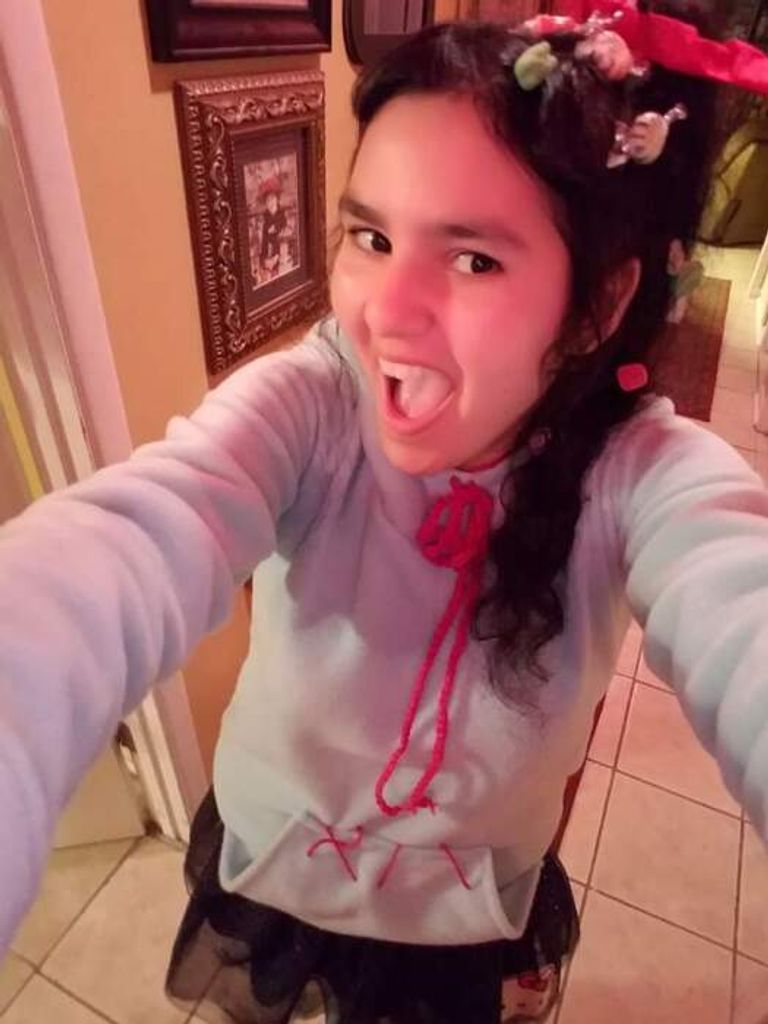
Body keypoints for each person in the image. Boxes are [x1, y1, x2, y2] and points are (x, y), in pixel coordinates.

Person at [2, 4, 768, 1022]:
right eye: (371, 235)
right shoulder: (313, 403)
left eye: (474, 258)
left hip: (462, 911)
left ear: (596, 306)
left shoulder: (638, 471)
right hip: (277, 859)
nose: (382, 314)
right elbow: (131, 538)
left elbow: (738, 596)